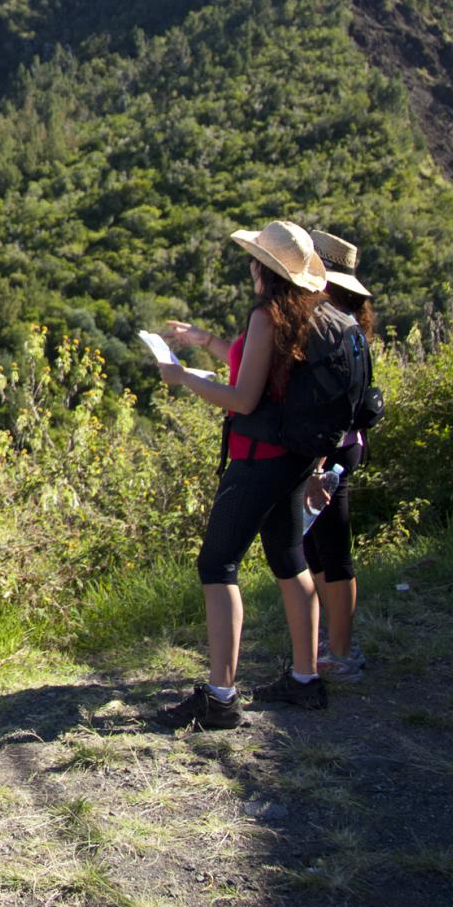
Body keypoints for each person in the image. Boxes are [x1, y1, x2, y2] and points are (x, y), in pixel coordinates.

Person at [151, 220, 336, 730]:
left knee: (217, 566)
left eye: (254, 260)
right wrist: (205, 342)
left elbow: (243, 398)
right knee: (289, 559)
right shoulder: (311, 313)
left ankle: (220, 697)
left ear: (263, 269)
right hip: (295, 456)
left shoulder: (266, 316)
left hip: (259, 458)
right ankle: (305, 679)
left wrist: (182, 377)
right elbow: (256, 371)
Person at [305, 229, 373, 682]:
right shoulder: (350, 324)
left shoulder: (328, 328)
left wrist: (314, 465)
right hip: (343, 449)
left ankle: (341, 651)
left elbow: (324, 405)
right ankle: (336, 643)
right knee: (321, 552)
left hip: (328, 454)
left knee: (328, 552)